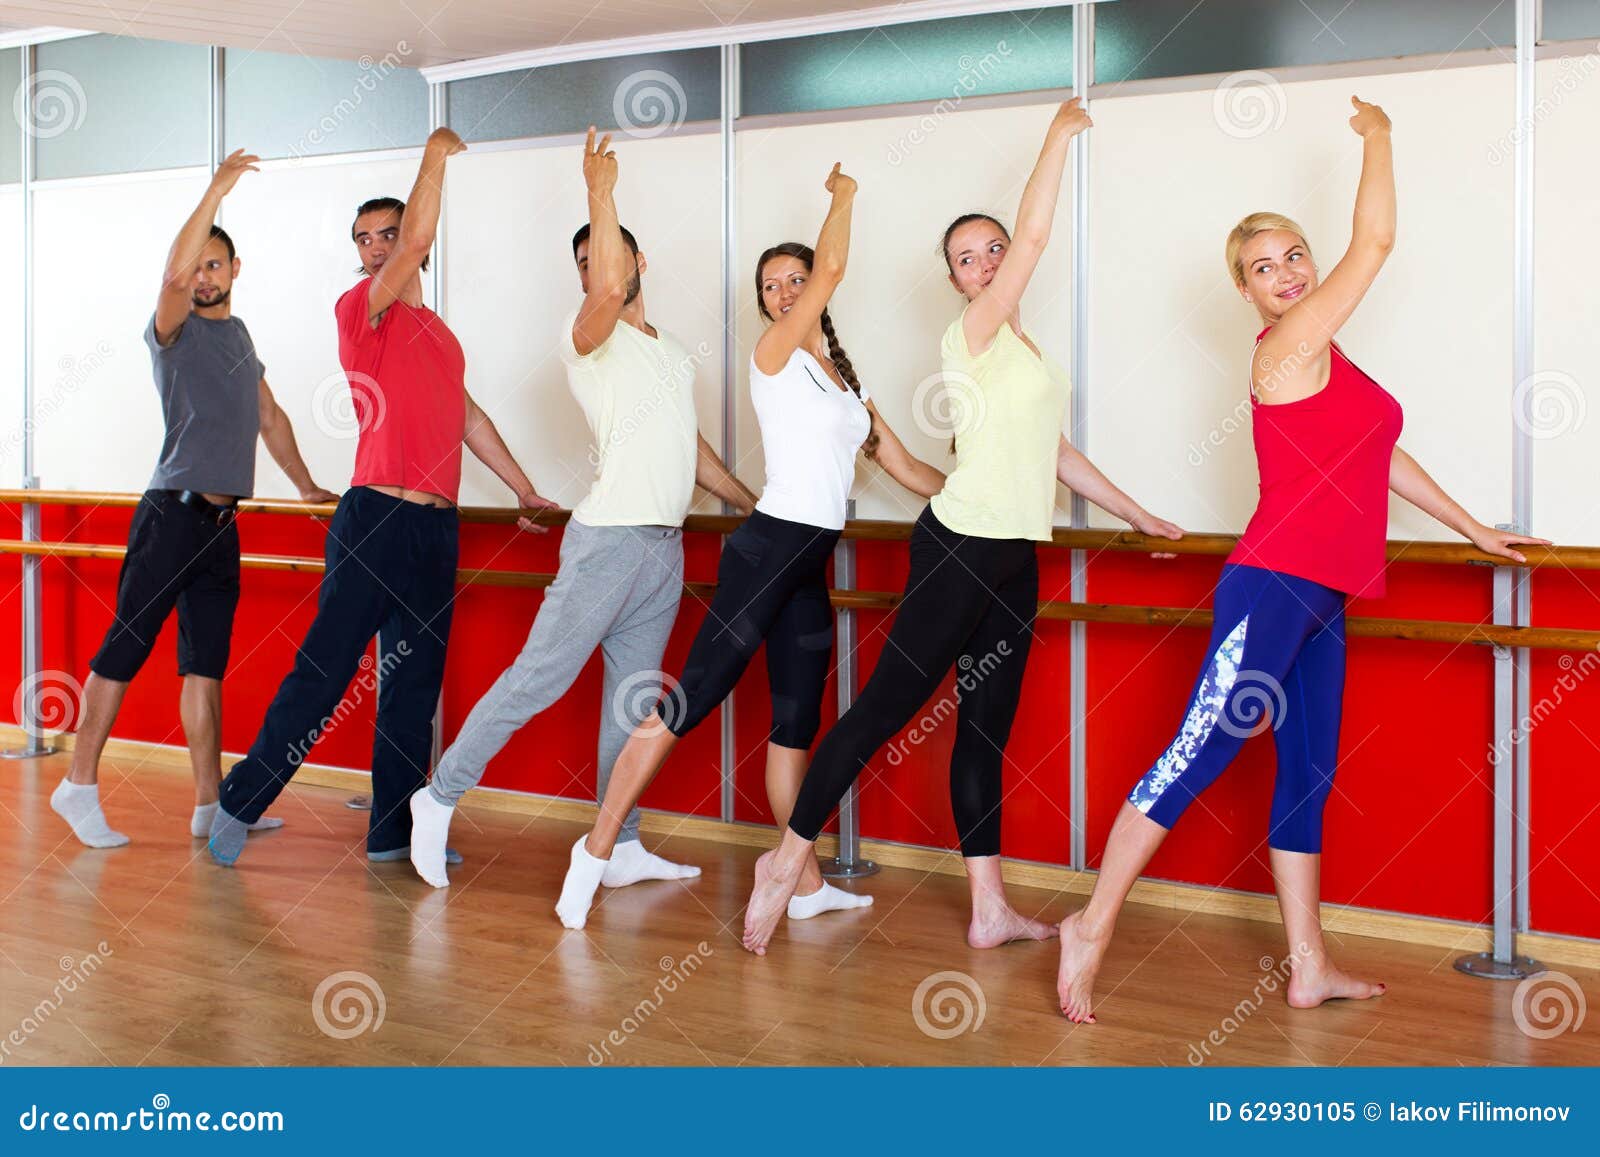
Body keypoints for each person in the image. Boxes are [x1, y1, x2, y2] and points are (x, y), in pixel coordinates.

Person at [1055, 97, 1550, 1022]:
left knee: (1309, 772)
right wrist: (1380, 136)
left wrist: (1473, 526)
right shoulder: (1286, 348)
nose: (1283, 273)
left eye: (1292, 256)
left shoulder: (1336, 363)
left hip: (1328, 593)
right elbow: (1379, 241)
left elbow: (1381, 458)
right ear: (1245, 292)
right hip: (1272, 583)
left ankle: (1309, 963)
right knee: (1198, 751)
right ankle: (1093, 923)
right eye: (1261, 267)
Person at [742, 100, 1185, 955]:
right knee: (879, 712)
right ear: (957, 280)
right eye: (968, 257)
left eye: (991, 251)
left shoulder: (1028, 355)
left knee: (986, 730)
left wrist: (1136, 513)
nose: (986, 264)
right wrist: (1056, 141)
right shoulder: (974, 331)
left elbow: (1051, 450)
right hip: (957, 547)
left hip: (1014, 555)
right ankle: (783, 864)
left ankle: (990, 909)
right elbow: (1035, 239)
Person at [554, 162, 946, 929]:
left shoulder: (841, 383)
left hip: (810, 560)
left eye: (797, 278)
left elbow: (903, 466)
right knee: (686, 703)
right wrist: (843, 196)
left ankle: (799, 883)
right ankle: (594, 851)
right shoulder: (773, 357)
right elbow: (835, 262)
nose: (788, 290)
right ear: (766, 303)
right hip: (769, 551)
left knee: (797, 722)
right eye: (774, 284)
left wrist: (976, 497)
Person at [406, 128, 756, 888]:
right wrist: (599, 190)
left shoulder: (665, 352)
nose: (600, 270)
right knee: (538, 679)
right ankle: (435, 798)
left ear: (641, 264)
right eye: (588, 263)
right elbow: (601, 295)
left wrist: (752, 505)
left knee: (632, 701)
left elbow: (693, 456)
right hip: (606, 544)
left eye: (611, 256)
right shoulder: (585, 340)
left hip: (664, 549)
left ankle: (621, 841)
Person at [209, 127, 558, 866]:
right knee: (325, 673)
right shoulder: (360, 313)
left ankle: (392, 834)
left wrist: (524, 488)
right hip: (374, 520)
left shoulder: (441, 335)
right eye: (366, 239)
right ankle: (240, 801)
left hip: (435, 532)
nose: (377, 247)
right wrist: (433, 154)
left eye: (389, 235)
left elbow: (470, 418)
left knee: (411, 688)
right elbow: (420, 234)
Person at [51, 149, 335, 849]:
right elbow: (173, 274)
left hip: (220, 525)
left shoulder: (239, 336)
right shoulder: (171, 332)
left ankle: (211, 806)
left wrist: (305, 484)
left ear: (235, 272)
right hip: (170, 515)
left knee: (205, 667)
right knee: (125, 648)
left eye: (216, 264)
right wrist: (218, 188)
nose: (202, 276)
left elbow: (269, 416)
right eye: (196, 266)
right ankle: (77, 783)